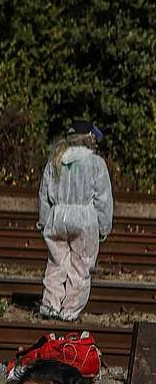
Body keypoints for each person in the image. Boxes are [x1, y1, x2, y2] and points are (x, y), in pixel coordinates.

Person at [39, 120, 114, 322]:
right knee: (81, 267)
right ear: (89, 139)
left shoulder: (55, 160)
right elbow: (103, 199)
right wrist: (104, 227)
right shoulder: (96, 163)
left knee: (56, 262)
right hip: (84, 219)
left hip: (57, 216)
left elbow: (44, 195)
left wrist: (44, 221)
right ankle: (70, 310)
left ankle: (50, 304)